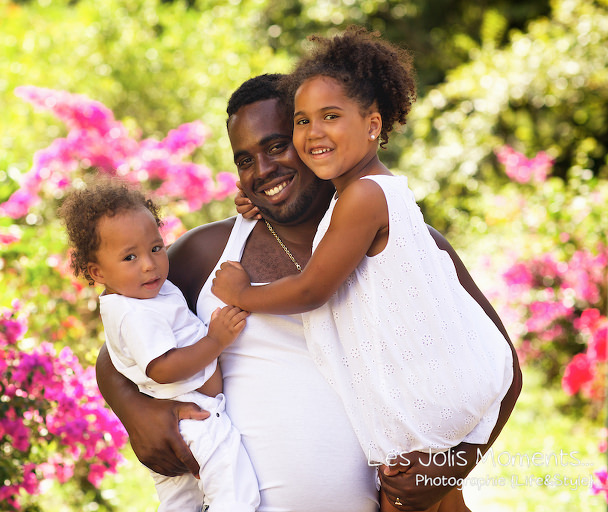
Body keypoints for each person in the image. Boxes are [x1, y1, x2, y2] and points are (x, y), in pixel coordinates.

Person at [96, 73, 522, 512]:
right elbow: (121, 345)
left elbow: (501, 366)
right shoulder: (209, 252)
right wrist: (137, 413)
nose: (262, 170)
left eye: (277, 146)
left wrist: (451, 467)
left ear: (313, 143)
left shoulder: (404, 244)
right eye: (245, 160)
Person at [211, 28, 515, 512]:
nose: (313, 133)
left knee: (414, 500)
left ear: (373, 125)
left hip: (425, 421)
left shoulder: (365, 197)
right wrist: (266, 198)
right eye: (303, 121)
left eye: (330, 117)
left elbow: (311, 290)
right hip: (429, 418)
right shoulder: (368, 197)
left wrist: (242, 294)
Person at [58, 180, 259, 512]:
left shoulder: (143, 293)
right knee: (236, 496)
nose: (149, 264)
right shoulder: (134, 312)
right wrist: (215, 341)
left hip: (184, 420)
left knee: (180, 504)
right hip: (193, 420)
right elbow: (162, 368)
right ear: (98, 271)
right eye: (130, 257)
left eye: (155, 248)